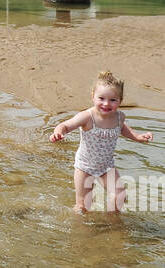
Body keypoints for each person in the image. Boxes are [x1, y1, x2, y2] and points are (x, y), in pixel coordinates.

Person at [50, 70, 153, 215]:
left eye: (113, 100)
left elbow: (122, 128)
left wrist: (137, 137)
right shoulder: (87, 117)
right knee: (83, 206)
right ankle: (81, 230)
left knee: (119, 196)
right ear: (93, 97)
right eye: (101, 98)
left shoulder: (119, 117)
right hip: (84, 167)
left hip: (106, 166)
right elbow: (65, 125)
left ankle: (112, 224)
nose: (106, 104)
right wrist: (58, 132)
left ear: (120, 101)